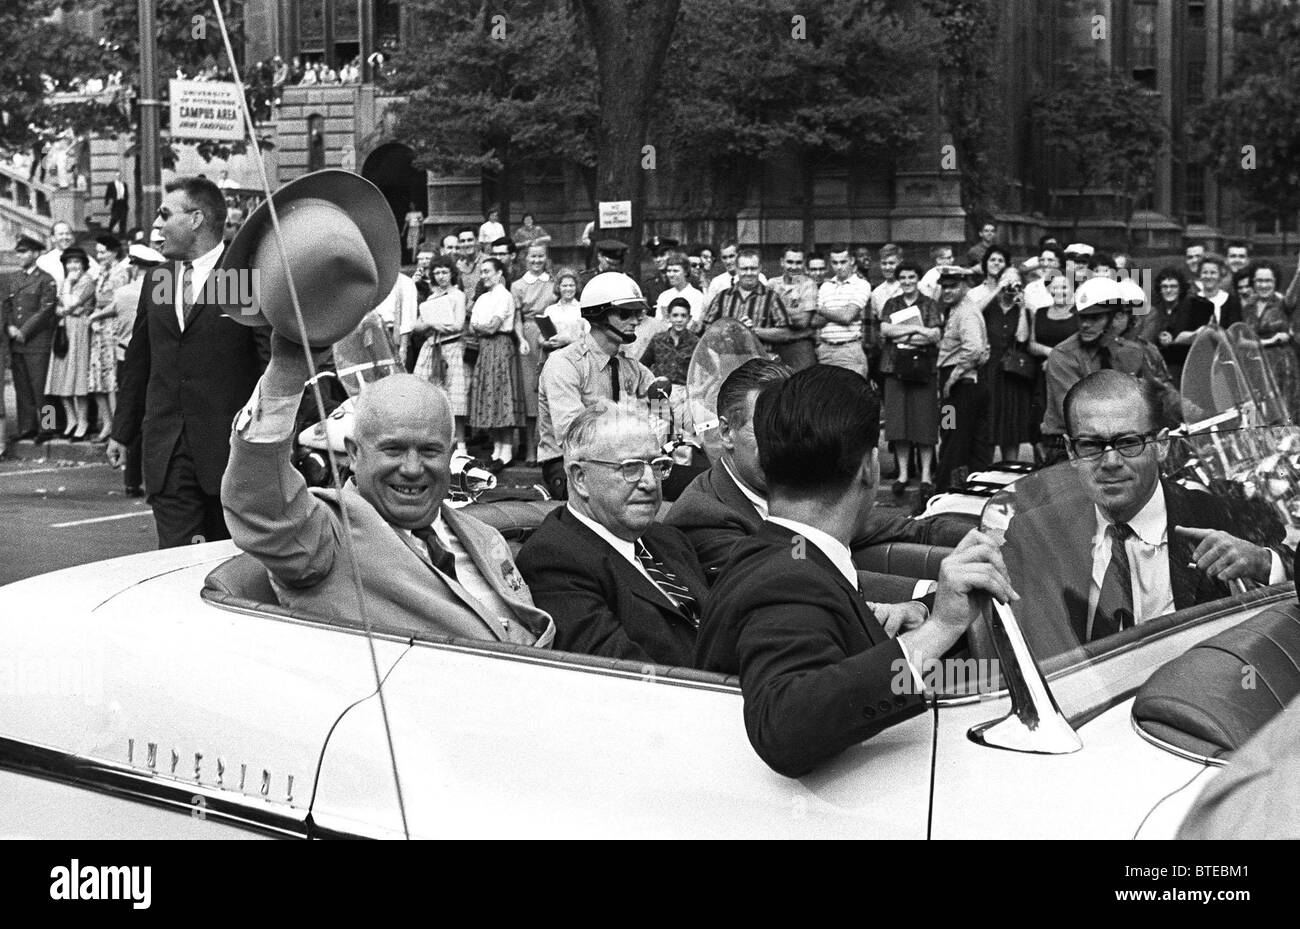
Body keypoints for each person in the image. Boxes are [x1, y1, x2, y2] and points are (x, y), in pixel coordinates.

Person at [695, 365, 1019, 778]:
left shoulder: (787, 555)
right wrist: (936, 631)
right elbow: (784, 725)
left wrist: (924, 612)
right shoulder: (786, 579)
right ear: (870, 467)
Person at [223, 333, 555, 646]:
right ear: (353, 453)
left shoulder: (482, 534)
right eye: (393, 450)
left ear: (451, 453)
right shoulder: (329, 537)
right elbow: (261, 504)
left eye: (429, 451)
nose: (412, 469)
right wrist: (286, 370)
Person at [1003, 370, 1288, 660]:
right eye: (1090, 445)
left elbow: (1291, 560)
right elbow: (1003, 645)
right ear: (1071, 451)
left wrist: (1263, 562)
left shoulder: (1217, 513)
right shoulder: (1035, 531)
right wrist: (954, 606)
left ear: (1162, 444)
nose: (1110, 462)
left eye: (1128, 443)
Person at [666, 358, 969, 583]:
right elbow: (790, 585)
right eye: (764, 428)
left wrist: (983, 535)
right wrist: (924, 596)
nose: (782, 442)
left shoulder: (796, 483)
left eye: (788, 427)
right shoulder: (703, 514)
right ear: (727, 432)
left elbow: (905, 527)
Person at [108, 175, 269, 549]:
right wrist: (122, 431)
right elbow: (140, 361)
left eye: (166, 215)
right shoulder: (160, 278)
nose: (157, 226)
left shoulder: (239, 276)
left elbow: (268, 364)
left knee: (226, 565)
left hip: (229, 455)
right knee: (175, 565)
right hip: (167, 452)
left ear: (196, 219)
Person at [516, 402, 707, 665]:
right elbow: (621, 674)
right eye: (631, 468)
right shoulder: (553, 560)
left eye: (657, 465)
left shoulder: (670, 539)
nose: (651, 483)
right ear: (580, 478)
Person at [536, 272, 671, 501]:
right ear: (599, 314)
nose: (636, 320)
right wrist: (634, 415)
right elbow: (574, 434)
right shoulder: (564, 364)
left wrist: (665, 423)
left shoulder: (629, 365)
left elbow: (661, 398)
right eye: (626, 313)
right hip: (572, 464)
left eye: (638, 313)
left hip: (625, 459)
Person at [1040, 277, 1165, 463]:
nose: (1085, 324)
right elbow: (1078, 414)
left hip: (1119, 442)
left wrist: (1195, 412)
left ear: (1115, 318)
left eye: (1095, 317)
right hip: (1070, 447)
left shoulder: (1131, 351)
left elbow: (1158, 393)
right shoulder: (1063, 355)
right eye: (1082, 317)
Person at [879, 260, 942, 499]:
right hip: (895, 368)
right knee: (899, 424)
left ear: (918, 279)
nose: (907, 282)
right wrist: (917, 330)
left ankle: (926, 475)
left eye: (911, 277)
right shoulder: (891, 303)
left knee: (924, 422)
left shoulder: (929, 304)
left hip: (923, 368)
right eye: (902, 278)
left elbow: (934, 335)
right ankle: (903, 474)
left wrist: (907, 333)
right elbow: (886, 331)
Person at [107, 242, 164, 495]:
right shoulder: (162, 287)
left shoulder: (125, 292)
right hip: (155, 361)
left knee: (135, 414)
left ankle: (132, 480)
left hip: (127, 357)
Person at [934, 267, 992, 491]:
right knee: (971, 443)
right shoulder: (958, 309)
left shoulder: (965, 312)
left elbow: (974, 349)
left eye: (953, 286)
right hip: (964, 384)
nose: (947, 291)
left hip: (960, 386)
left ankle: (942, 495)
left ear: (964, 285)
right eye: (944, 286)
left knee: (951, 441)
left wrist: (953, 379)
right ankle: (972, 493)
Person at [976, 248, 1033, 462]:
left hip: (1012, 373)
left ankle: (1011, 468)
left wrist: (1022, 307)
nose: (1010, 285)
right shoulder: (989, 306)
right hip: (989, 369)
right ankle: (985, 469)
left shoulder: (1023, 310)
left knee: (1011, 422)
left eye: (1014, 282)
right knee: (989, 420)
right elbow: (975, 313)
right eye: (1007, 281)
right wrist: (997, 290)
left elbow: (1021, 338)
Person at [468, 257, 525, 467]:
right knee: (490, 393)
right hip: (485, 349)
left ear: (499, 273)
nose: (484, 276)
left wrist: (481, 326)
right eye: (481, 272)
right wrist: (482, 326)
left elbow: (492, 327)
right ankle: (497, 447)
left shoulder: (504, 296)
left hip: (500, 346)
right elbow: (472, 326)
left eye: (487, 271)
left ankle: (507, 449)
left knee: (502, 393)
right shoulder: (483, 299)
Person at [698, 249, 805, 357]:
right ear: (737, 269)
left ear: (760, 268)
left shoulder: (771, 298)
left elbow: (785, 333)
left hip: (761, 362)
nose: (749, 273)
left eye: (753, 268)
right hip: (728, 360)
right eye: (744, 269)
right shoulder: (722, 297)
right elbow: (707, 330)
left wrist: (754, 331)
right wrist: (731, 330)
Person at [412, 257, 470, 454]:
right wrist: (431, 324)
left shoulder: (458, 295)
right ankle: (434, 442)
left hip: (451, 348)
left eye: (444, 272)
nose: (441, 276)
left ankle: (460, 444)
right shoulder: (431, 298)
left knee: (455, 398)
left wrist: (438, 323)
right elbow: (417, 325)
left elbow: (458, 324)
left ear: (452, 273)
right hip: (432, 349)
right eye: (437, 273)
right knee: (429, 395)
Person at [2, 236, 58, 442]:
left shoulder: (46, 279)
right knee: (22, 387)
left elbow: (46, 310)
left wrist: (23, 331)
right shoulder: (14, 279)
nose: (19, 256)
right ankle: (27, 427)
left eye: (24, 252)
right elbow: (7, 305)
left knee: (41, 387)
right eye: (18, 252)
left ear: (35, 254)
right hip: (17, 342)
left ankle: (48, 427)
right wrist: (8, 326)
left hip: (37, 342)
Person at [44, 246, 96, 440]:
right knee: (60, 377)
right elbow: (58, 308)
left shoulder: (86, 281)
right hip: (64, 330)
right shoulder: (68, 282)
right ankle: (71, 419)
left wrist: (67, 287)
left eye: (77, 262)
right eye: (69, 262)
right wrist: (67, 304)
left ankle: (83, 421)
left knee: (77, 378)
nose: (73, 266)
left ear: (84, 264)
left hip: (79, 331)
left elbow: (68, 304)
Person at [1027, 272, 1077, 460]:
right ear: (1049, 289)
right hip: (1042, 376)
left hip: (1069, 374)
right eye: (1055, 287)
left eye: (1064, 286)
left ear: (1071, 290)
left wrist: (1055, 359)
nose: (1060, 291)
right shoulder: (1040, 313)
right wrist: (1050, 353)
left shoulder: (1078, 314)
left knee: (1065, 417)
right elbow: (1031, 344)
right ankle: (1040, 462)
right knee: (1037, 418)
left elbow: (1079, 343)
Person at [86, 235, 131, 441]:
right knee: (98, 379)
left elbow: (116, 301)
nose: (99, 255)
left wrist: (97, 312)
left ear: (113, 252)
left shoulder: (121, 272)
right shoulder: (101, 273)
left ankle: (117, 428)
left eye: (103, 251)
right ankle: (107, 423)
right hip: (99, 330)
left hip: (112, 329)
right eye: (97, 252)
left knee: (112, 379)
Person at [1243, 263, 1300, 421]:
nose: (1263, 285)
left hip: (1281, 366)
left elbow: (1292, 296)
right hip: (1256, 365)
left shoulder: (1282, 303)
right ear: (1253, 282)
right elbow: (1241, 340)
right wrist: (1269, 341)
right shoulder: (1248, 305)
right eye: (1259, 281)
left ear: (1275, 282)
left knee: (1284, 411)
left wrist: (1299, 272)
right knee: (1260, 414)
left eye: (1268, 281)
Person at [511, 243, 552, 463]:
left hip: (550, 336)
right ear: (526, 259)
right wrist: (521, 340)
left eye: (540, 256)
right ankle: (529, 447)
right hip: (528, 337)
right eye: (532, 257)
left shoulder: (553, 283)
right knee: (530, 394)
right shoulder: (518, 285)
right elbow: (516, 318)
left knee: (548, 392)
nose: (536, 260)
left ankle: (548, 447)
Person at [640, 298, 699, 438]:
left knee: (683, 437)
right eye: (675, 315)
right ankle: (659, 459)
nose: (679, 320)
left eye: (683, 316)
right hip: (660, 390)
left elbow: (709, 371)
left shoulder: (695, 342)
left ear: (689, 318)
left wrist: (695, 391)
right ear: (668, 317)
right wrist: (648, 389)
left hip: (683, 393)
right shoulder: (658, 339)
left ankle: (680, 461)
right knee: (658, 431)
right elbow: (642, 366)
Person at [815, 244, 873, 377]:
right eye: (835, 262)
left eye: (843, 262)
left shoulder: (862, 285)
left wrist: (822, 310)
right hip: (825, 350)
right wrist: (840, 313)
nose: (839, 267)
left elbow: (847, 317)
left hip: (849, 349)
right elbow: (816, 321)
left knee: (852, 395)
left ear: (852, 260)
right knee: (825, 396)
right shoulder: (825, 286)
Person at [765, 245, 818, 370]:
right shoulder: (772, 284)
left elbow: (803, 321)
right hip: (774, 344)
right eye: (790, 262)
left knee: (803, 385)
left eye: (798, 262)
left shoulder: (808, 285)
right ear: (782, 262)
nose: (794, 267)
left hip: (800, 345)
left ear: (804, 263)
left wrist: (776, 310)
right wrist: (795, 311)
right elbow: (765, 316)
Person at [653, 251, 705, 327]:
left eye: (675, 271)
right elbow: (659, 323)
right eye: (669, 271)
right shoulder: (664, 296)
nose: (671, 275)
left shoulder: (697, 296)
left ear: (686, 272)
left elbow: (695, 323)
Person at [103, 171, 129, 236]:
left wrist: (125, 199)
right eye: (117, 176)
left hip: (123, 203)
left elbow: (126, 194)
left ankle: (122, 235)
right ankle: (109, 230)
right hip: (115, 204)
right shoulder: (111, 185)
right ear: (115, 177)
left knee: (123, 220)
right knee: (115, 218)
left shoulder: (124, 184)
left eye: (120, 176)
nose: (119, 177)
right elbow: (107, 195)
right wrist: (107, 204)